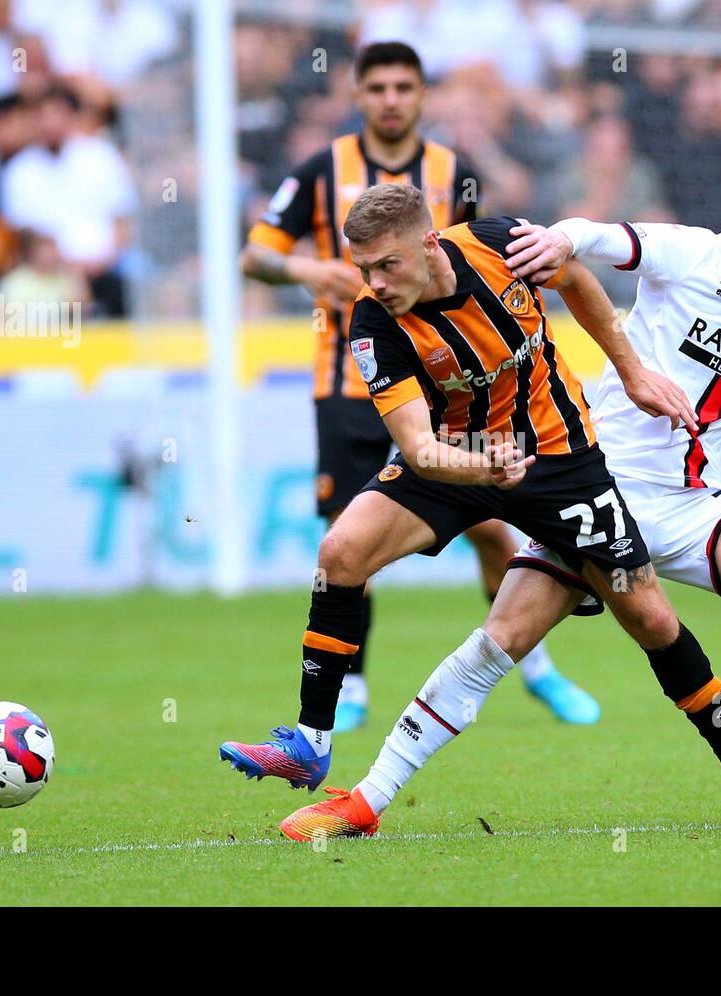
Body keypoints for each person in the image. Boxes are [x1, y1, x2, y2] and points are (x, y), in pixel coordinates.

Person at [281, 159, 721, 837]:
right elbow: (589, 237)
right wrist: (553, 241)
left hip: (695, 508)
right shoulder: (682, 250)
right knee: (503, 641)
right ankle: (365, 799)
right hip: (594, 488)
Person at [245, 182, 721, 840]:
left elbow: (575, 278)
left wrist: (630, 372)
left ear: (430, 245)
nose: (375, 282)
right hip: (456, 456)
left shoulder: (499, 245)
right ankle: (311, 744)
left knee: (652, 617)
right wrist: (481, 467)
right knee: (341, 552)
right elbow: (417, 447)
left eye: (387, 265)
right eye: (364, 269)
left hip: (563, 462)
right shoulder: (375, 320)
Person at [240, 41, 597, 729]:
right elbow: (253, 255)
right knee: (348, 540)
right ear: (359, 96)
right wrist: (309, 273)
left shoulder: (453, 171)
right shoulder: (323, 169)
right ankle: (354, 689)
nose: (392, 99)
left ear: (421, 96)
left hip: (448, 387)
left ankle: (539, 667)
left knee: (494, 530)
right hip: (350, 386)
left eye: (404, 87)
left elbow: (473, 267)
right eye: (378, 88)